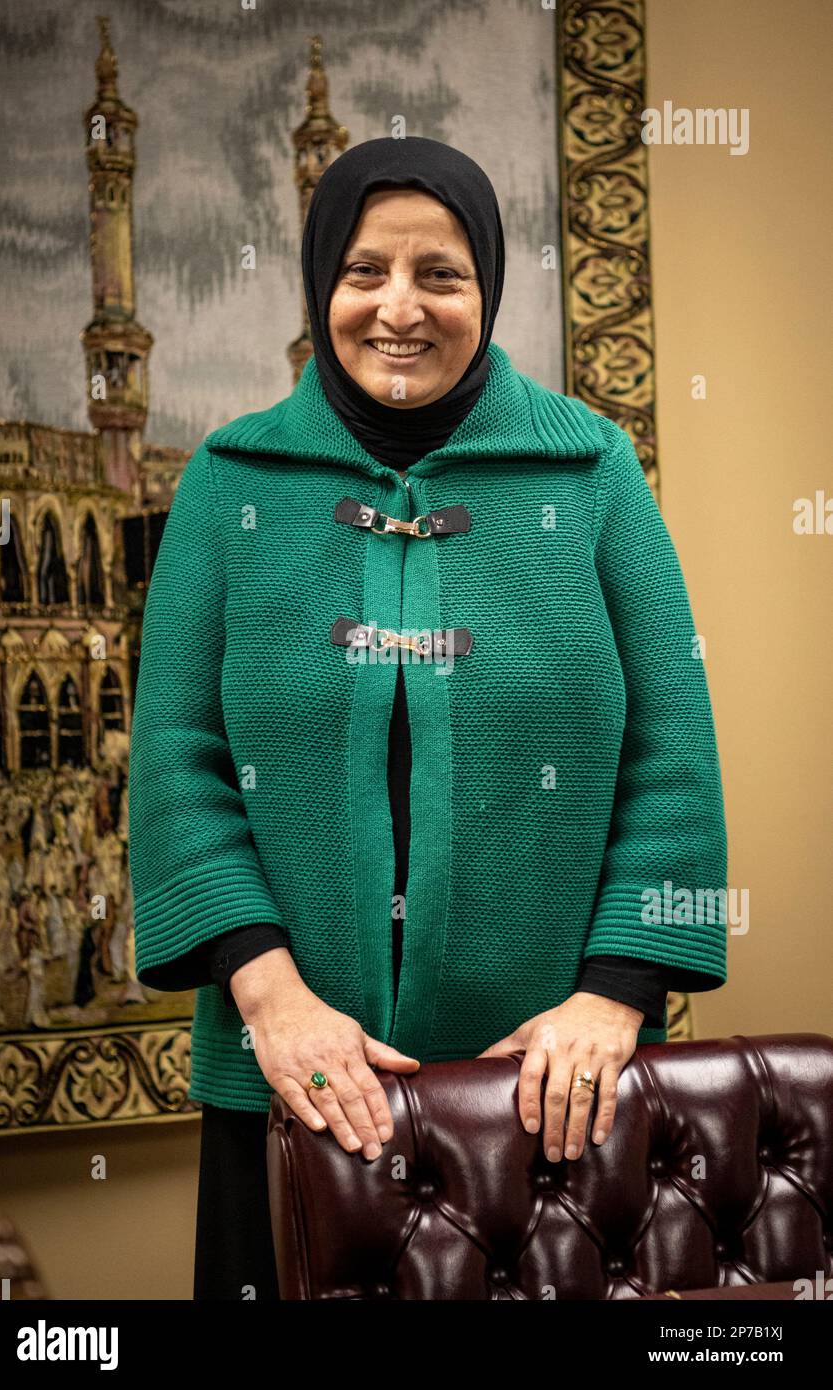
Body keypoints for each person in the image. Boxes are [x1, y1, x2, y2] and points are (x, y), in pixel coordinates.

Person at [127, 137, 728, 1301]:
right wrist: (272, 998)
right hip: (288, 1083)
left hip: (554, 1094)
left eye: (438, 274)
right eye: (364, 272)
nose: (398, 308)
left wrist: (612, 997)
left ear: (485, 289)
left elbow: (672, 760)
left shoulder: (590, 472)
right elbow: (175, 768)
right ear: (320, 287)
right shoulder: (226, 480)